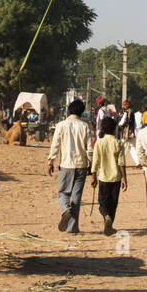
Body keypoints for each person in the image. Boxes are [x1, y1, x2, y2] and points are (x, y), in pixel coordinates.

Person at [47, 98, 92, 234]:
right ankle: (73, 227)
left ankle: (65, 208)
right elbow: (89, 149)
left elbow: (55, 145)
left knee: (63, 193)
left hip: (66, 164)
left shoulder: (61, 125)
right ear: (82, 112)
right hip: (81, 165)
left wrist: (51, 161)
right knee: (76, 197)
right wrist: (91, 164)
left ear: (69, 110)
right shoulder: (85, 126)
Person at [90, 115, 128, 234]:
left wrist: (93, 177)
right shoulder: (118, 143)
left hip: (103, 177)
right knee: (113, 203)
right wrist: (125, 180)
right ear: (113, 129)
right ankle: (109, 223)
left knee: (102, 202)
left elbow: (95, 161)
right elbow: (121, 163)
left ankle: (106, 218)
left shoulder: (99, 143)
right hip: (116, 178)